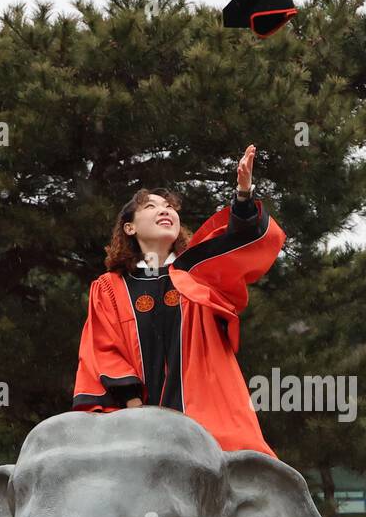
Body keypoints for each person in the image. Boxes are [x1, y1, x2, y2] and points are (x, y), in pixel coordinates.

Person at [72, 144, 284, 458]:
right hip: (135, 424)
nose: (165, 210)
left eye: (170, 207)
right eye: (151, 206)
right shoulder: (110, 288)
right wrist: (137, 415)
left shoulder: (200, 273)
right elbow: (104, 350)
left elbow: (240, 242)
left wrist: (243, 195)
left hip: (210, 418)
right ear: (130, 227)